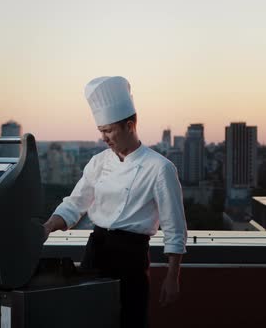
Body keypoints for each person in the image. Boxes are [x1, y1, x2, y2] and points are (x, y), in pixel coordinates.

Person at [43, 76, 187, 328]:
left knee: (129, 319)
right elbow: (74, 204)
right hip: (96, 249)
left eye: (109, 131)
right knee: (89, 318)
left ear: (130, 126)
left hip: (131, 255)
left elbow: (175, 229)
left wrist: (172, 277)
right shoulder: (99, 162)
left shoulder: (160, 168)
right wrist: (46, 227)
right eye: (101, 132)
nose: (104, 138)